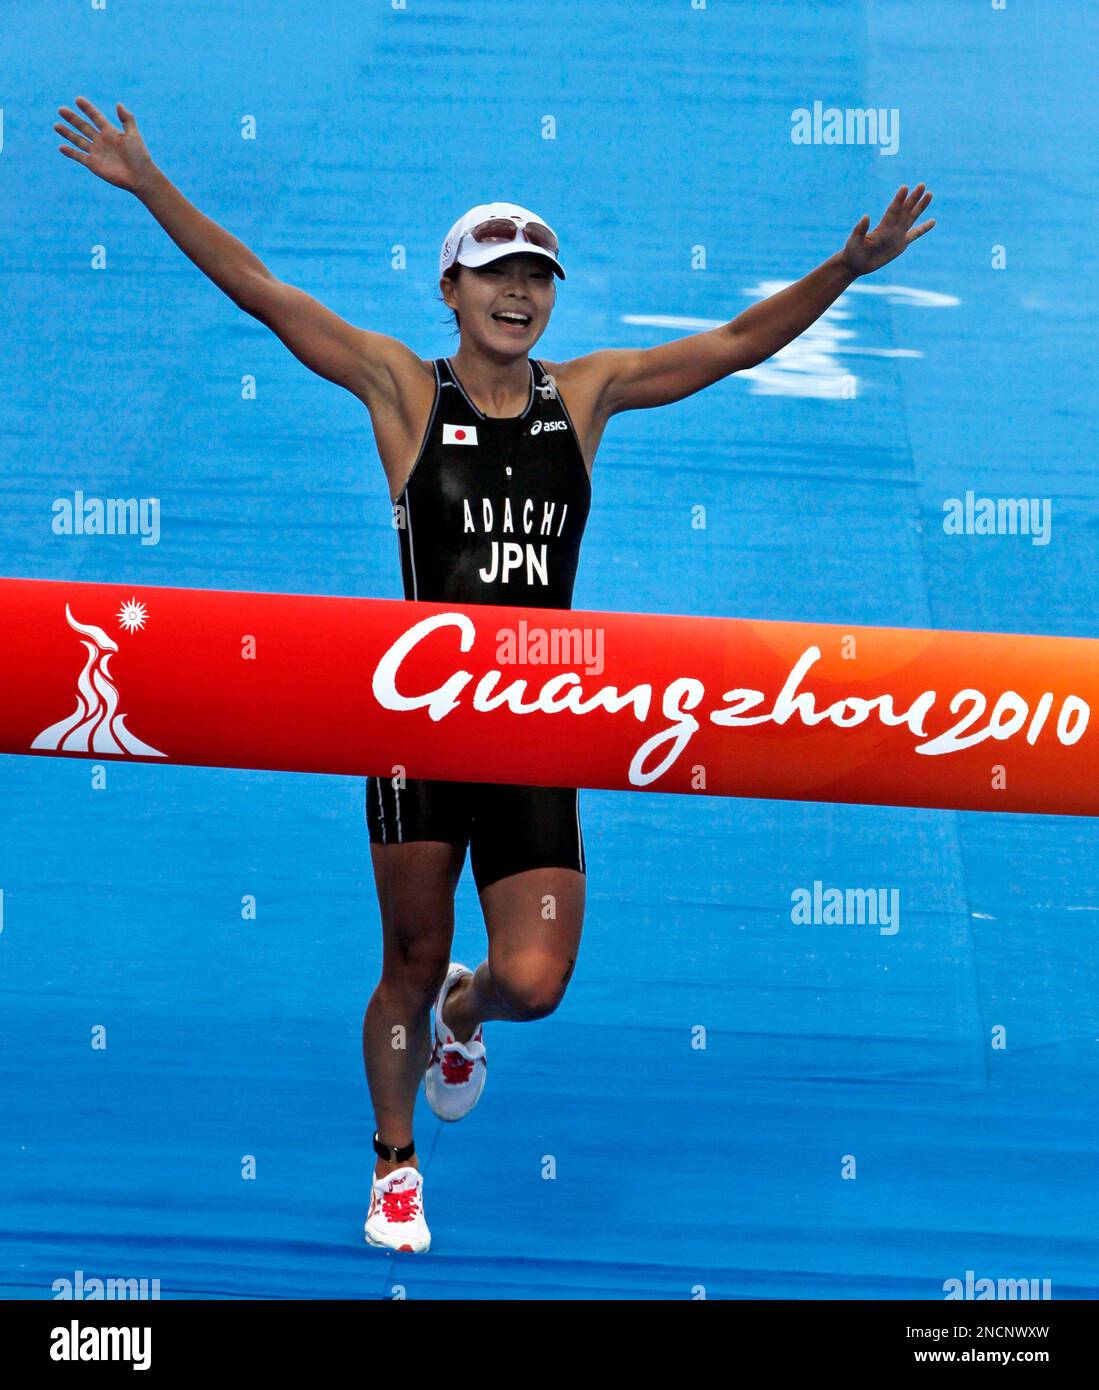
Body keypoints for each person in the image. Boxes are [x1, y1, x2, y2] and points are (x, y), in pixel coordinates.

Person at [55, 96, 936, 1254]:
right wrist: (151, 183)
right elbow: (265, 294)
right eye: (494, 274)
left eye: (538, 276)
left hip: (537, 729)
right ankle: (394, 1165)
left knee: (530, 980)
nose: (520, 293)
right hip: (417, 728)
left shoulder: (590, 394)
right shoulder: (403, 390)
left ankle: (468, 1018)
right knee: (406, 964)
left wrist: (844, 266)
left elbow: (731, 348)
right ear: (450, 292)